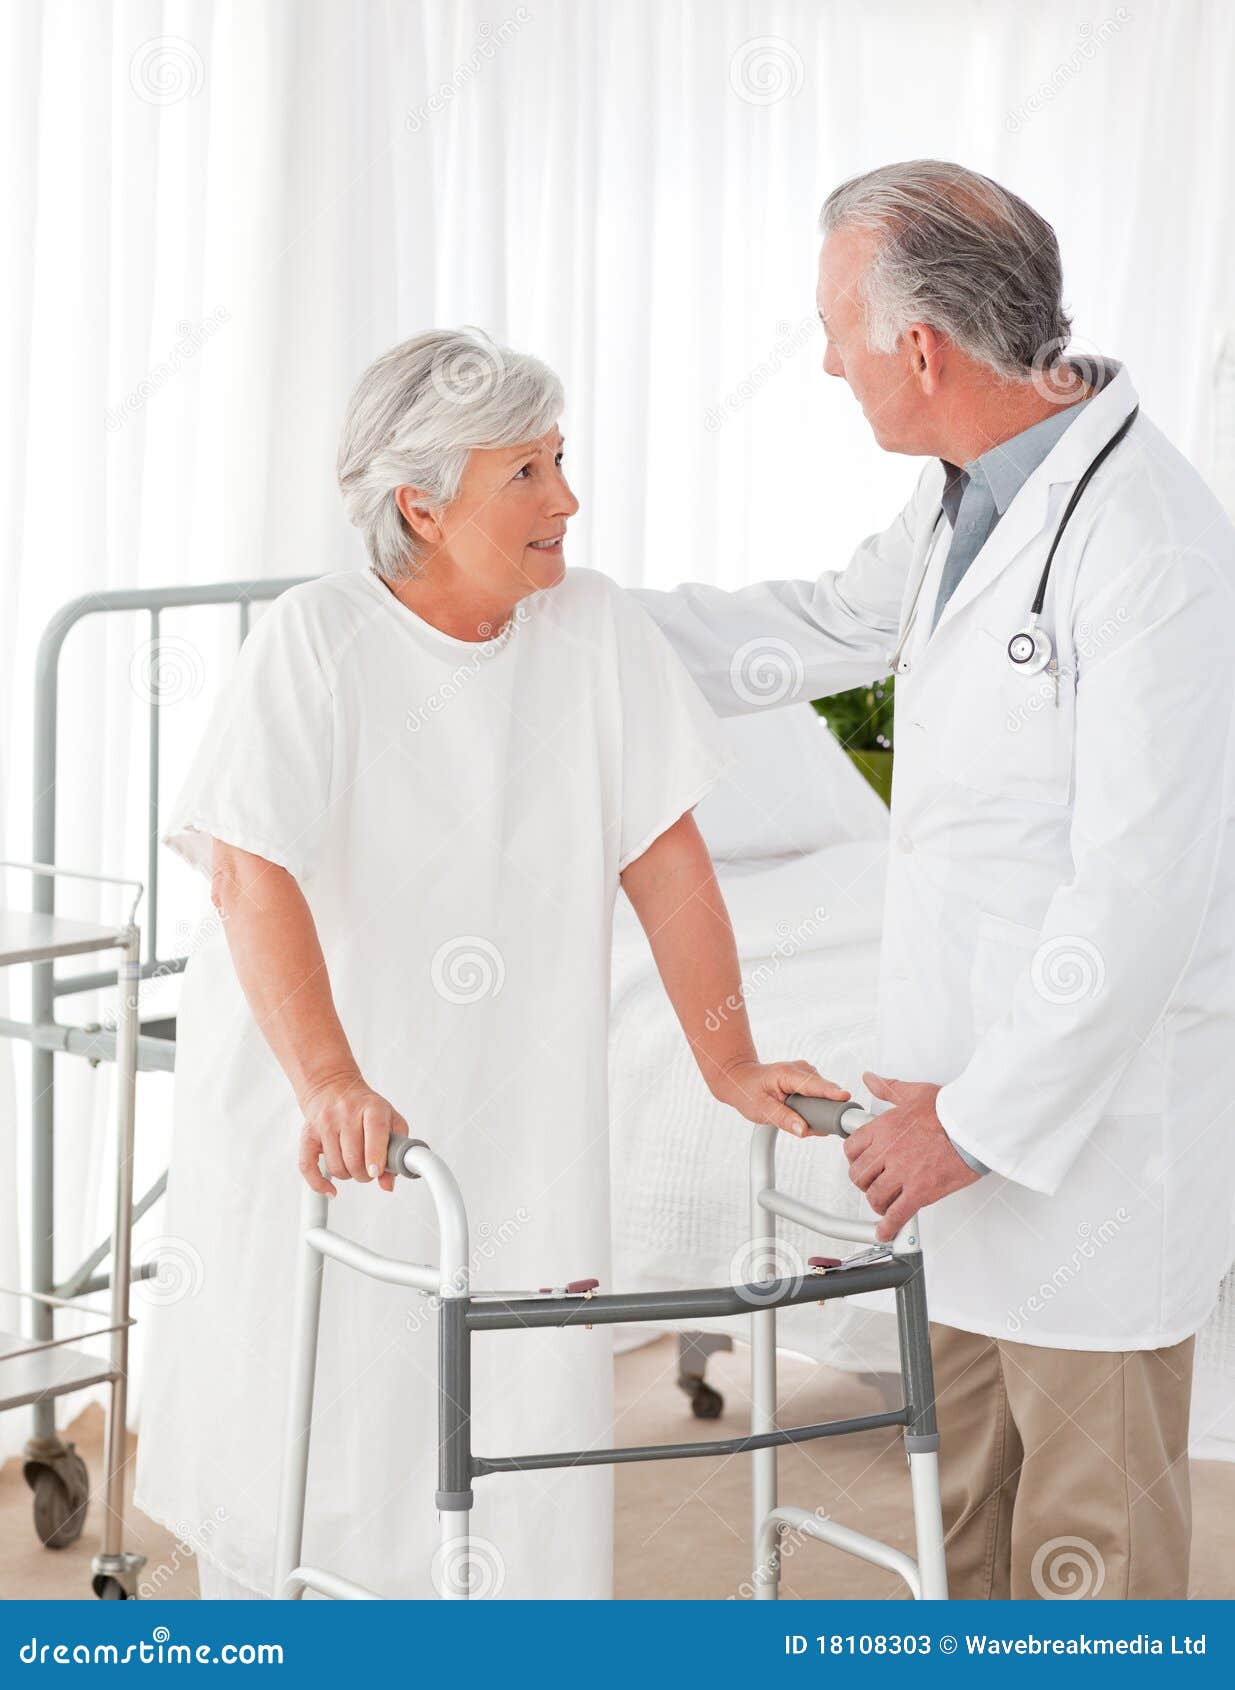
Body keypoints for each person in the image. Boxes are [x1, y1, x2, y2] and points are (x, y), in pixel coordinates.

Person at [131, 328, 846, 1600]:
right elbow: (250, 871)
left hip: (512, 1120)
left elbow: (665, 858)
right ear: (421, 500)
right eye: (527, 471)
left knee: (511, 1439)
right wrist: (332, 1078)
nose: (565, 497)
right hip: (332, 1114)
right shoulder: (318, 639)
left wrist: (724, 1056)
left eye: (559, 459)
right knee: (332, 1441)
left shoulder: (593, 631)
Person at [635, 160, 1235, 1600]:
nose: (827, 361)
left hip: (1072, 1143)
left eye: (834, 331)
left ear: (919, 348)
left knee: (1084, 1552)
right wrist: (585, 624)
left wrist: (971, 1121)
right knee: (955, 1525)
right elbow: (829, 624)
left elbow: (1141, 889)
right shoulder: (964, 495)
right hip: (953, 1121)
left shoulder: (1145, 540)